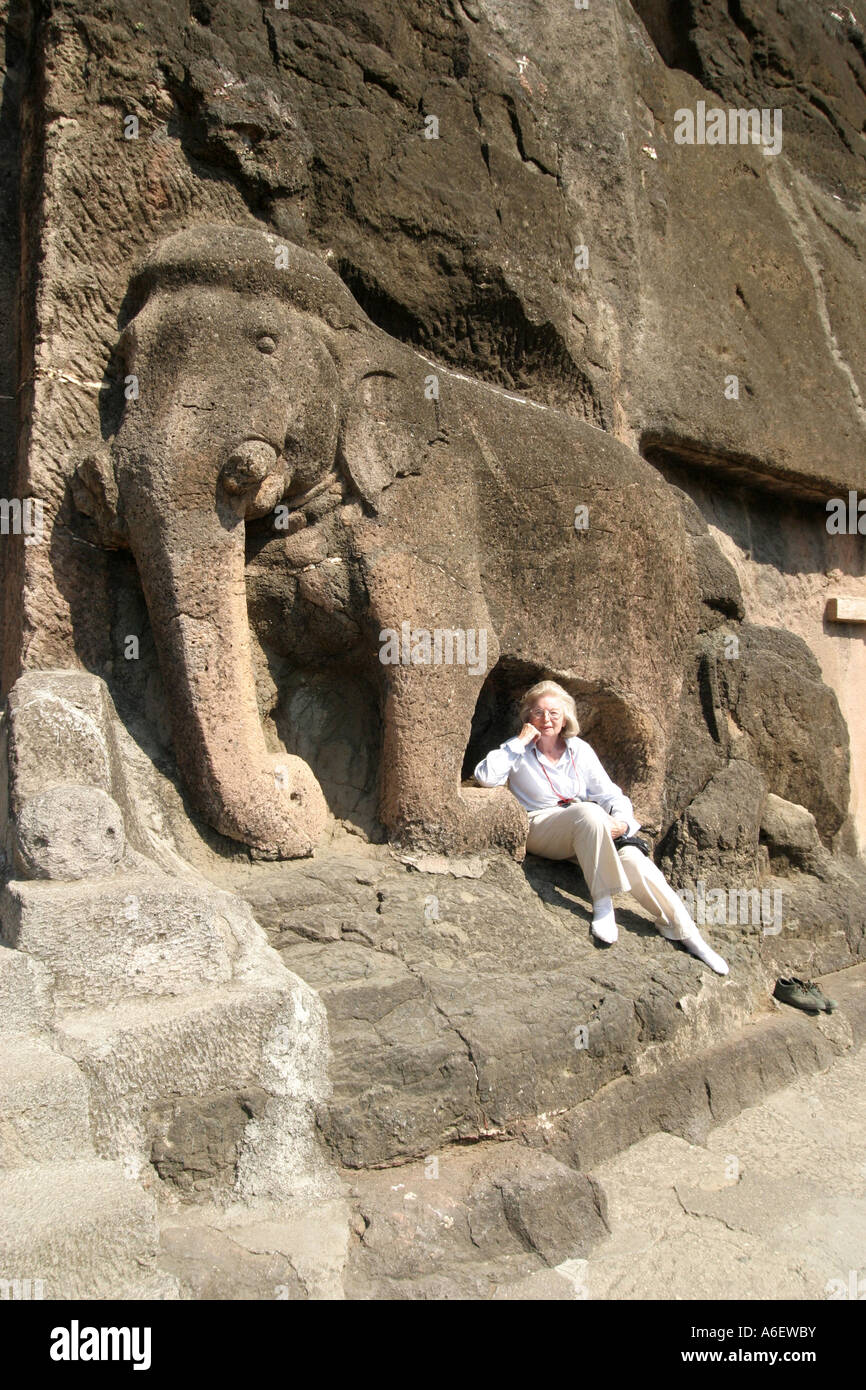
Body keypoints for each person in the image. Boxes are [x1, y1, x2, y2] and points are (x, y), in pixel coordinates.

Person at [473, 680, 729, 974]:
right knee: (590, 812)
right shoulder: (517, 750)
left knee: (634, 860)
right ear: (528, 717)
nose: (546, 720)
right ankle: (603, 901)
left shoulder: (578, 750)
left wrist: (623, 823)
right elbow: (485, 777)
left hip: (587, 831)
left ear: (566, 717)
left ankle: (686, 933)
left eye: (554, 713)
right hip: (541, 827)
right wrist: (519, 741)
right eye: (538, 713)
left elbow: (611, 794)